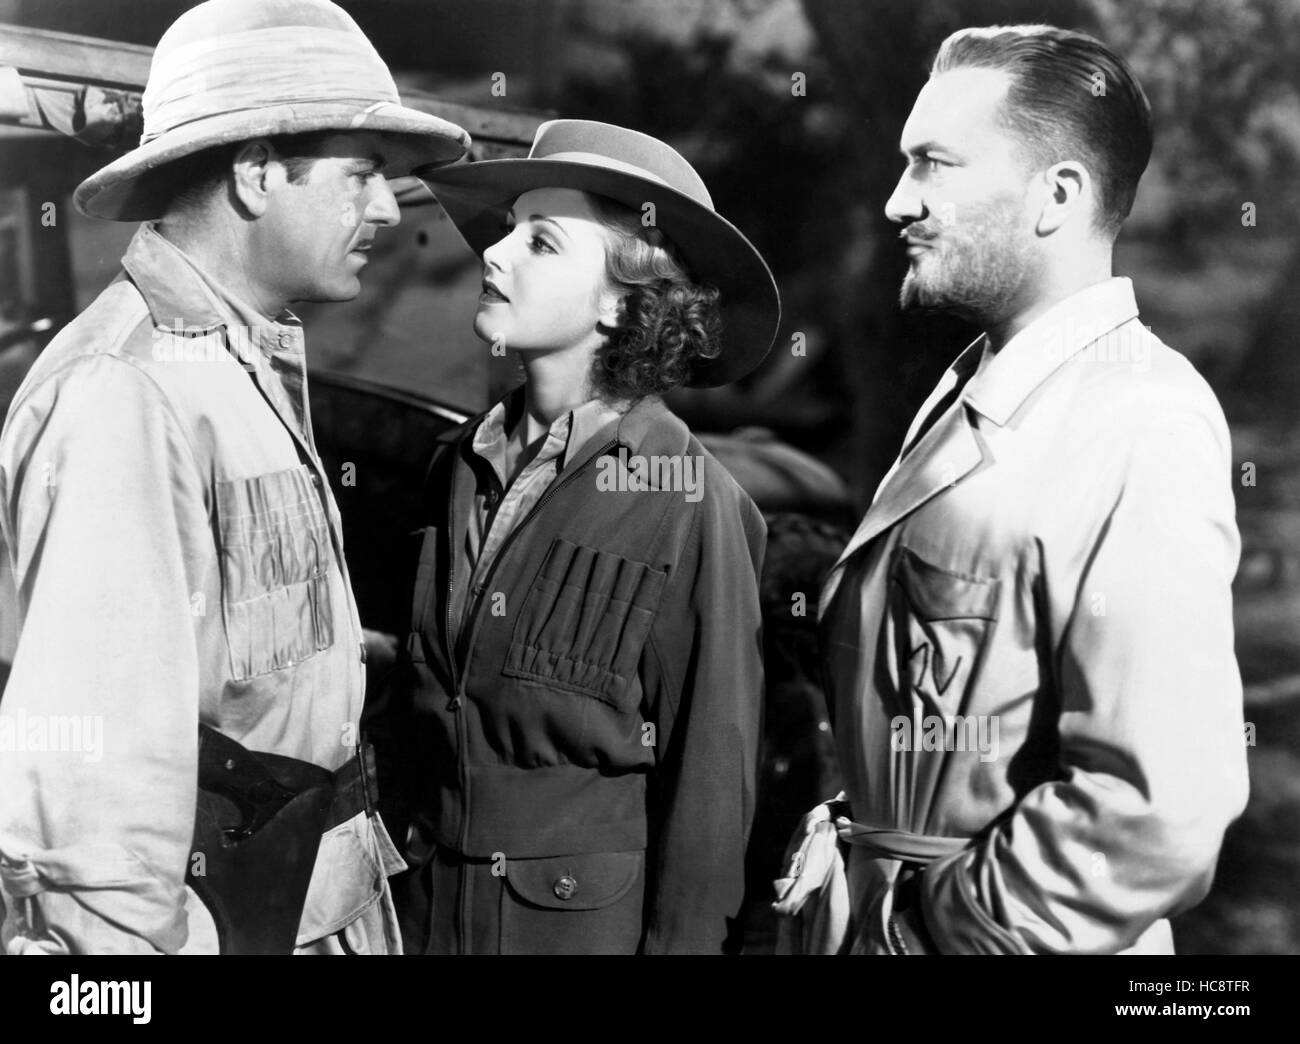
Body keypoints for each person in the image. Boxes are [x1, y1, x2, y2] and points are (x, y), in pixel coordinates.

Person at [0, 0, 469, 954]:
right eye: (362, 174)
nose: (387, 207)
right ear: (257, 174)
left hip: (305, 906)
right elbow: (96, 788)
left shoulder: (229, 362)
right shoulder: (124, 391)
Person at [775, 24, 1248, 954]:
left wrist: (929, 928)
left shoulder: (1140, 420)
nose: (896, 201)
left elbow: (1160, 813)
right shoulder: (982, 388)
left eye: (935, 165)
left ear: (1057, 196)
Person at [376, 119, 778, 954]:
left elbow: (709, 785)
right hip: (420, 920)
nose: (494, 255)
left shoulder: (688, 498)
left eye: (542, 241)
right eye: (507, 231)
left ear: (623, 302)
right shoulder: (457, 463)